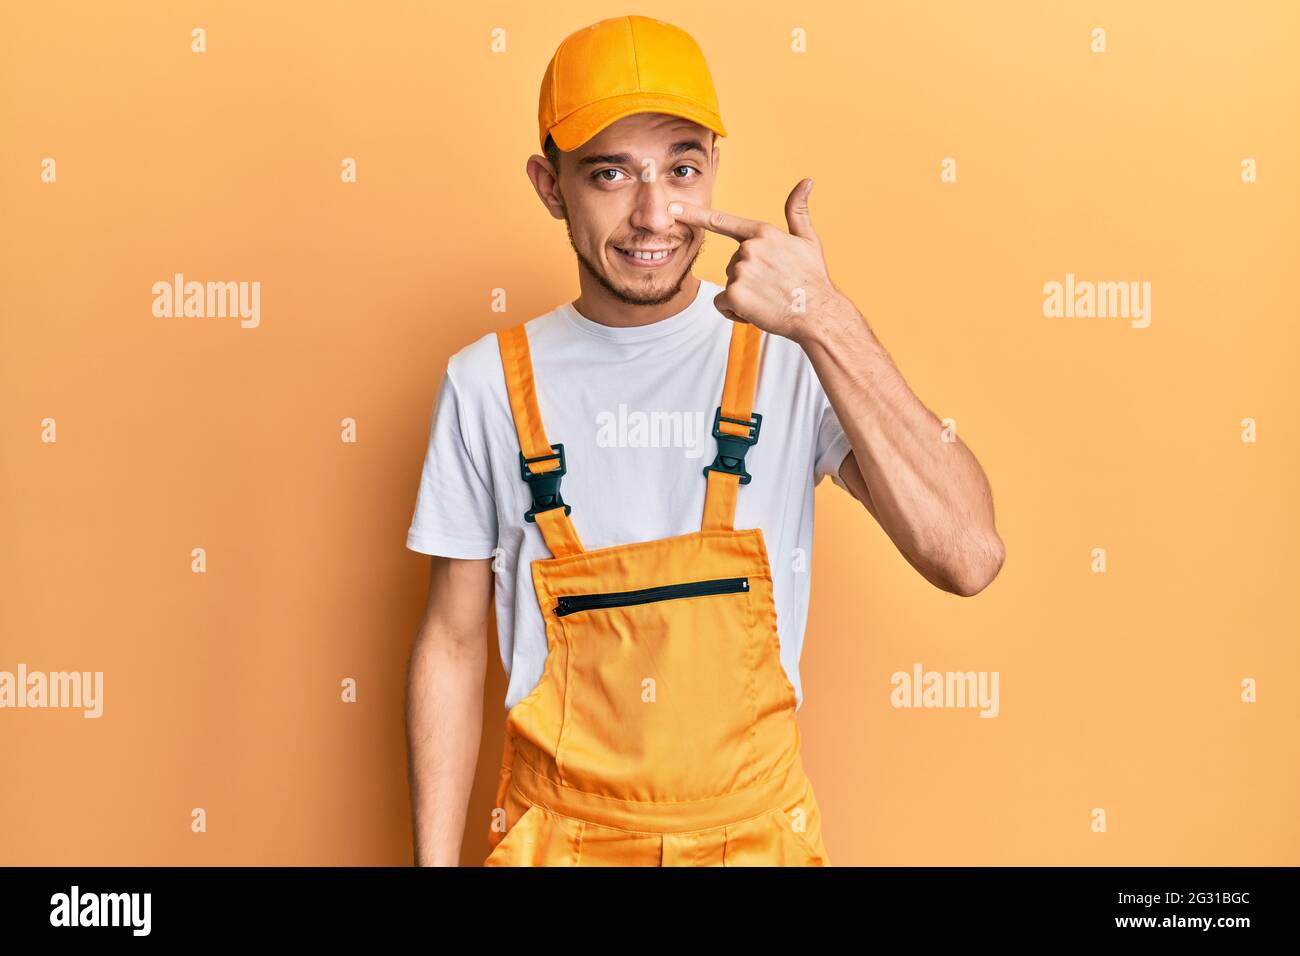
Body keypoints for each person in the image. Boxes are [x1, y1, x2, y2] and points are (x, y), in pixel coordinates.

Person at [404, 14, 1004, 867]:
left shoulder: (792, 357)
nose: (654, 215)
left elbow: (969, 554)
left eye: (681, 169)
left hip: (757, 844)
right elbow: (454, 643)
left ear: (714, 167)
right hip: (556, 846)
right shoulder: (485, 385)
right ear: (549, 184)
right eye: (610, 173)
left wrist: (824, 318)